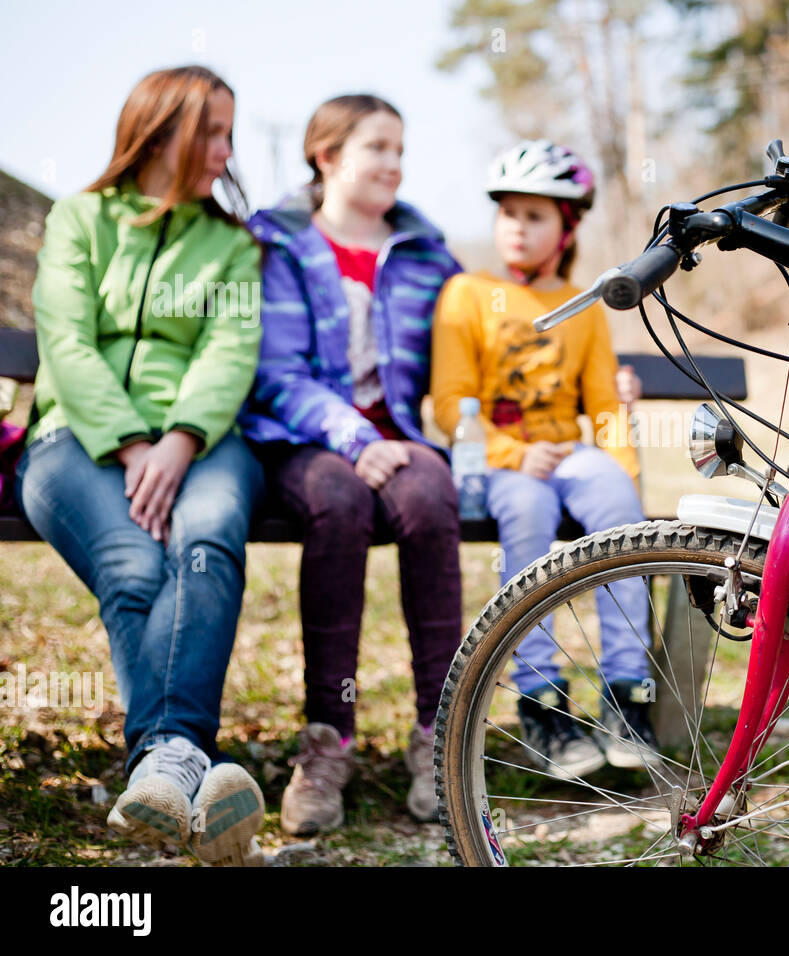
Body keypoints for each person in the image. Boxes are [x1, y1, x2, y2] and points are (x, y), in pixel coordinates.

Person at [15, 65, 267, 865]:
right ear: (161, 132)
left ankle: (163, 767)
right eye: (213, 132)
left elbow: (231, 353)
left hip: (201, 441)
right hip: (74, 440)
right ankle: (183, 759)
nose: (226, 150)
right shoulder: (80, 218)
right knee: (132, 564)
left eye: (230, 132)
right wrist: (129, 444)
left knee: (208, 538)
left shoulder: (231, 244)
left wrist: (181, 439)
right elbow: (67, 339)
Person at [237, 95, 463, 836]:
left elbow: (477, 338)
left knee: (430, 498)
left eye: (401, 149)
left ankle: (440, 736)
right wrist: (350, 437)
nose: (394, 164)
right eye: (377, 148)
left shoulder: (425, 249)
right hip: (304, 440)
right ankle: (326, 741)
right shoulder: (279, 243)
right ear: (327, 156)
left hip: (399, 437)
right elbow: (275, 372)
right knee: (339, 504)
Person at [432, 140, 658, 781]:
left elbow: (604, 405)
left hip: (569, 453)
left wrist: (624, 474)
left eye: (536, 216)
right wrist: (513, 452)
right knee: (527, 514)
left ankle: (627, 693)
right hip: (500, 466)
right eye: (510, 213)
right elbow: (451, 402)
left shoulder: (583, 307)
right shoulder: (466, 294)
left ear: (568, 227)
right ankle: (544, 704)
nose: (519, 227)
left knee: (615, 502)